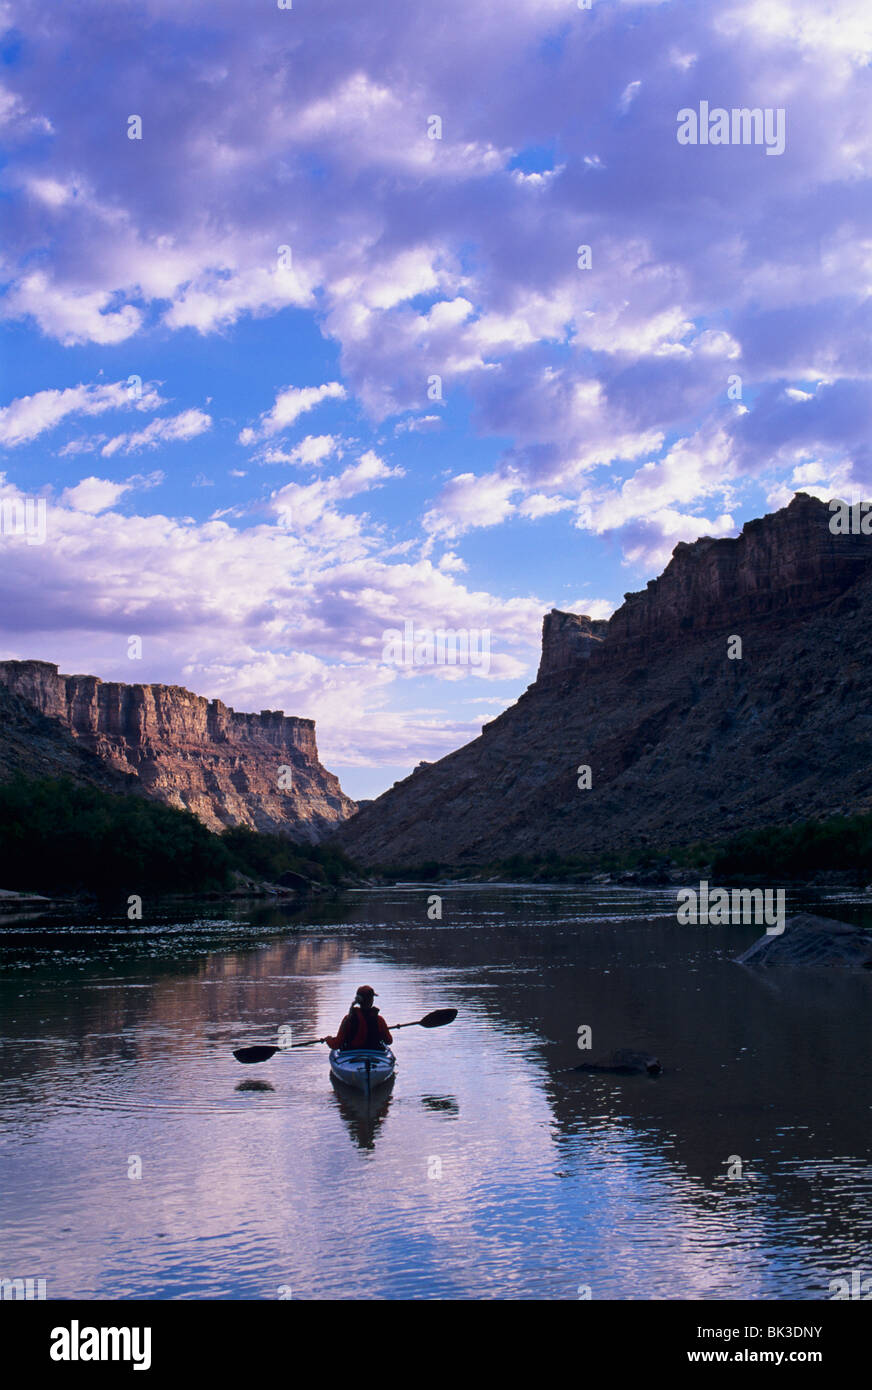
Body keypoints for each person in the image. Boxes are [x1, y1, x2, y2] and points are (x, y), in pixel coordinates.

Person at [326, 986, 392, 1051]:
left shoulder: (348, 1019)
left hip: (351, 1054)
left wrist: (329, 1040)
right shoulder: (379, 1020)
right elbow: (389, 1041)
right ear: (371, 1000)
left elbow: (336, 1045)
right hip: (375, 1054)